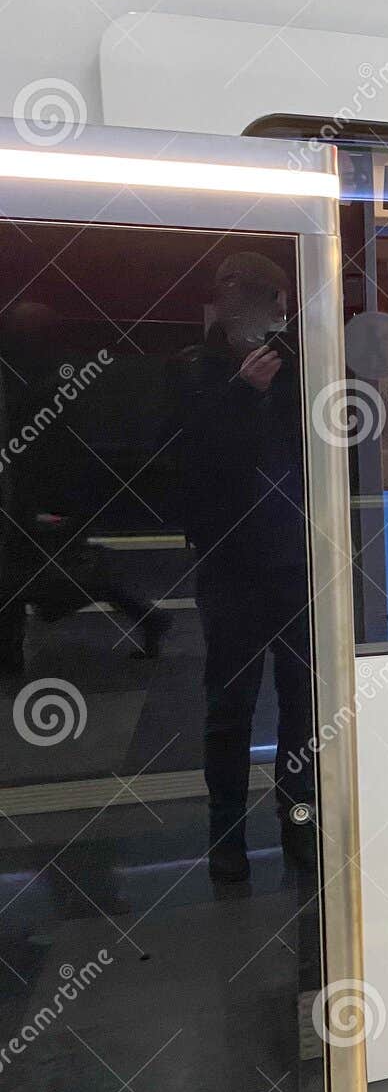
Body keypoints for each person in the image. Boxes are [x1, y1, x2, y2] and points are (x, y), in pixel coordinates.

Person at [171, 253, 315, 883]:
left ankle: (300, 823)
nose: (267, 313)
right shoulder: (197, 372)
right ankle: (225, 837)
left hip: (294, 560)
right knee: (230, 707)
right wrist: (242, 393)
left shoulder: (300, 366)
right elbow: (187, 459)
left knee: (303, 708)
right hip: (231, 563)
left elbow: (325, 446)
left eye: (275, 300)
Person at [0, 301, 169, 674]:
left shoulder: (36, 382)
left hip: (35, 494)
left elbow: (47, 451)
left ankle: (9, 656)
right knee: (59, 570)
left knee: (19, 575)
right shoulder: (55, 375)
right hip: (46, 493)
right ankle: (147, 617)